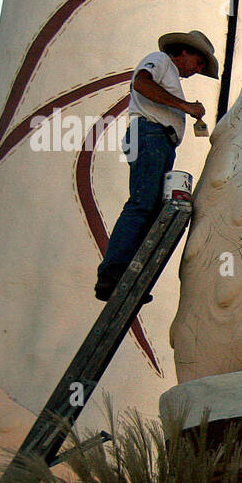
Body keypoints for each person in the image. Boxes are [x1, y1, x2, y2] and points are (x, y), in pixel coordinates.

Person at [94, 30, 218, 301]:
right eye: (198, 62)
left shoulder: (168, 71)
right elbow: (141, 84)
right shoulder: (160, 60)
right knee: (142, 204)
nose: (198, 70)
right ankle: (112, 273)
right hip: (150, 133)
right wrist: (184, 106)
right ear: (184, 51)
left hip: (157, 138)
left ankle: (126, 273)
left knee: (150, 208)